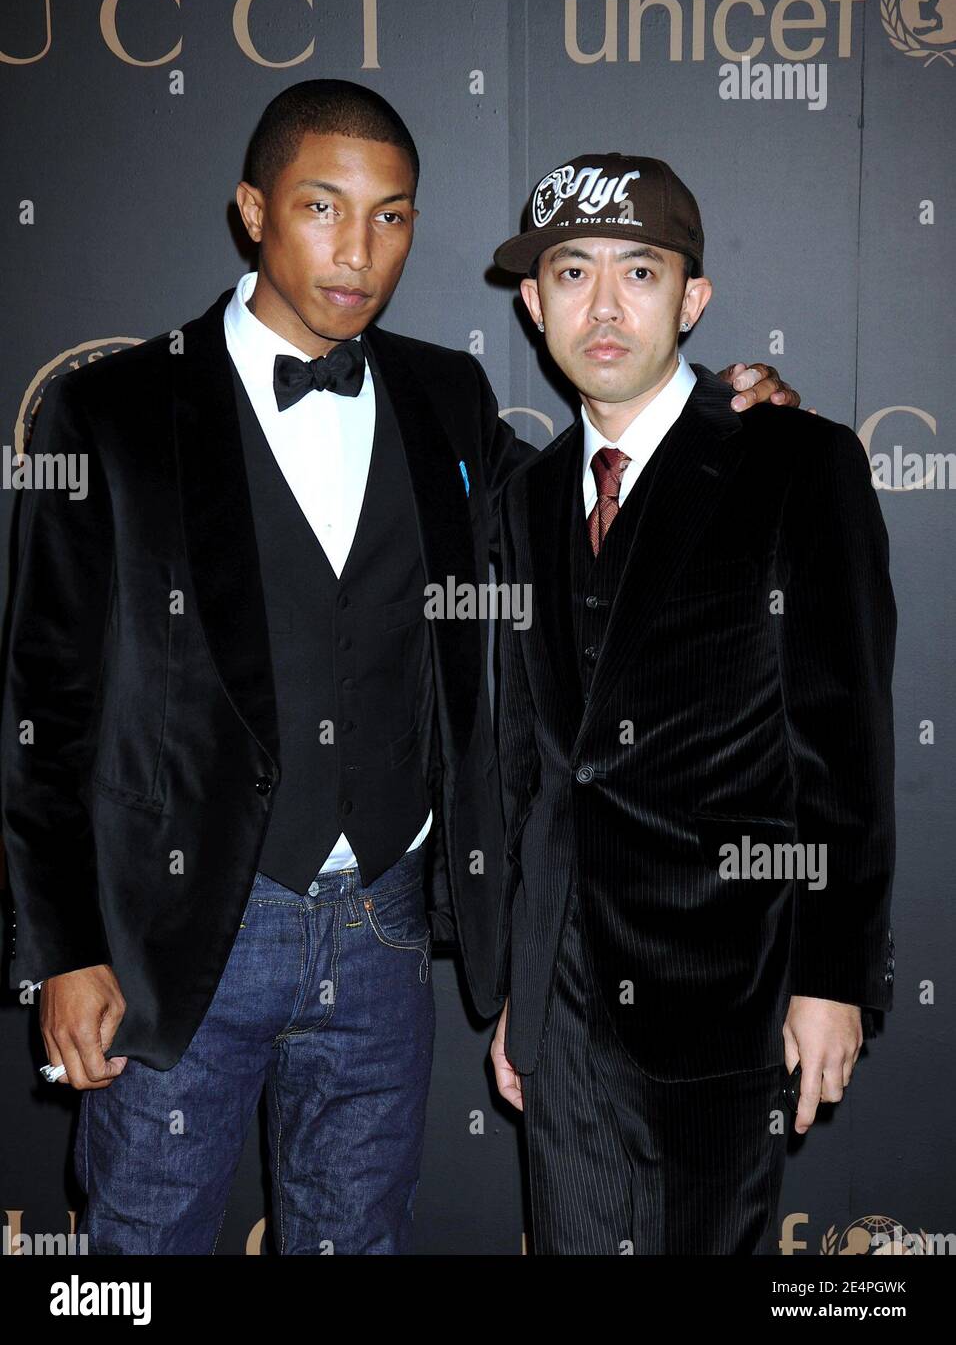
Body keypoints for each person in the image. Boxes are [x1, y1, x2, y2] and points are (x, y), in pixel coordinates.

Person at [0, 86, 798, 1256]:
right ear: (251, 212)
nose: (358, 250)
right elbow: (44, 706)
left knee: (355, 1240)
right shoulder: (110, 408)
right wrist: (61, 952)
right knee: (137, 1249)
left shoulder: (444, 396)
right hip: (178, 936)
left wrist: (735, 416)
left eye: (391, 217)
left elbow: (605, 486)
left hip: (383, 925)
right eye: (323, 208)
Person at [489, 153, 897, 1255]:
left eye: (640, 271)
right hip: (562, 1003)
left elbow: (845, 747)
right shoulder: (523, 498)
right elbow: (534, 760)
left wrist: (831, 977)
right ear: (531, 305)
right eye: (571, 273)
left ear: (691, 299)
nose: (605, 305)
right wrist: (524, 983)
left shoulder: (795, 463)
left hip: (730, 983)